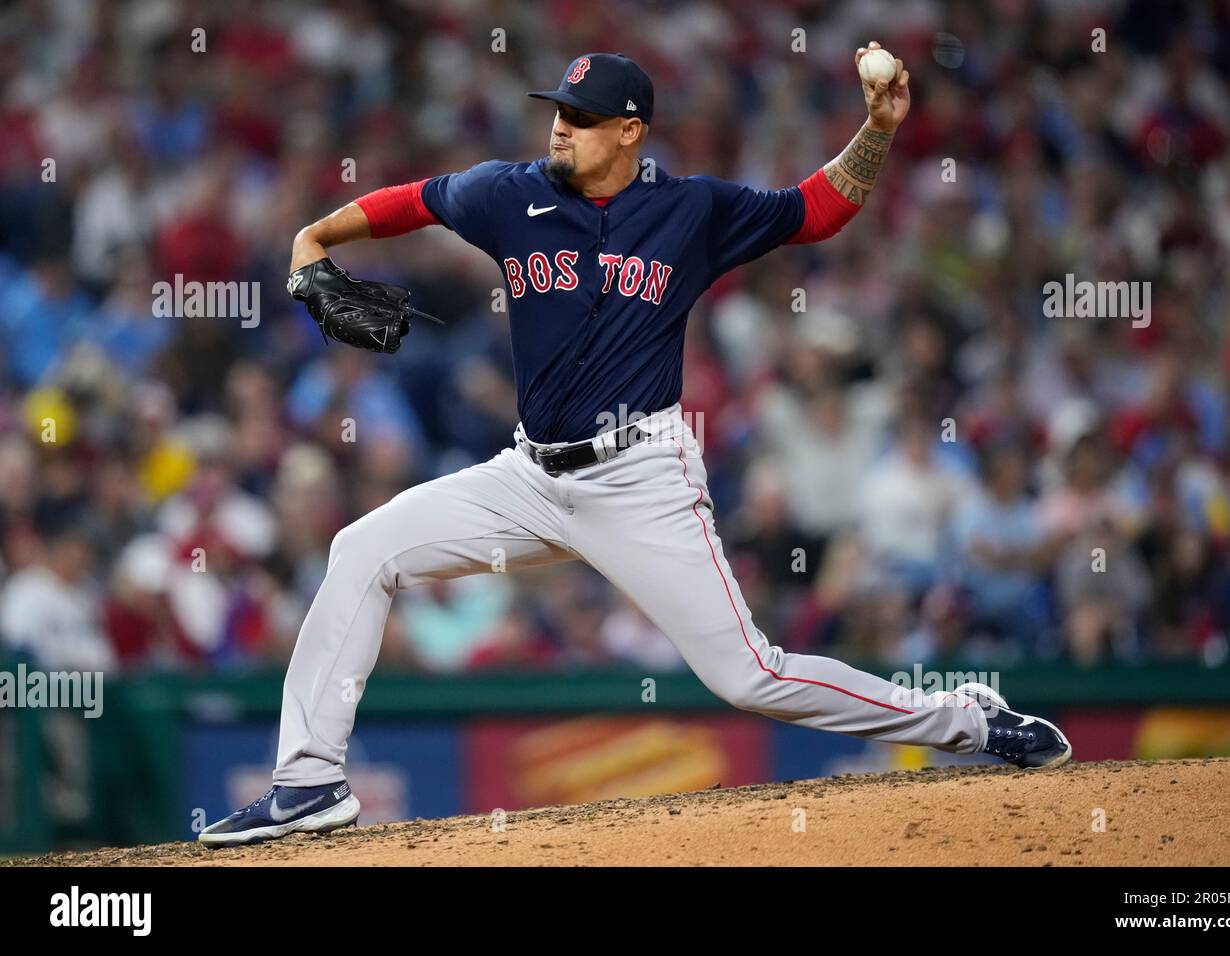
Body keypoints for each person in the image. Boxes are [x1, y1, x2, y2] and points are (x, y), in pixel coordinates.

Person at [200, 46, 1070, 848]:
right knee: (362, 548)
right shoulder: (512, 194)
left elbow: (816, 211)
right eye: (556, 110)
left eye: (579, 116)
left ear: (629, 131)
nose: (559, 127)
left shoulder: (689, 210)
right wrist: (315, 237)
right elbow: (418, 200)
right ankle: (310, 781)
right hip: (528, 475)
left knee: (749, 677)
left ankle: (963, 719)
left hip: (640, 476)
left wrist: (876, 131)